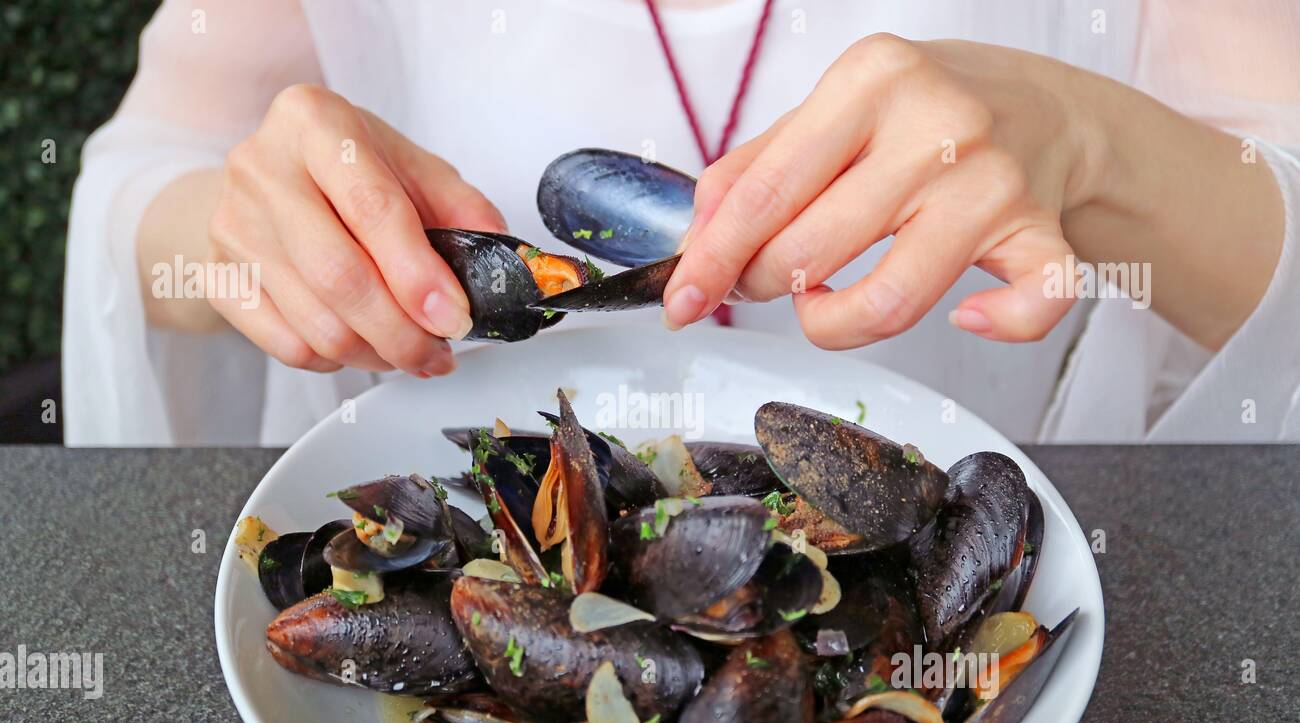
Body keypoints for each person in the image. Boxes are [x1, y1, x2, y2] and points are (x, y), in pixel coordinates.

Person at [64, 0, 1299, 445]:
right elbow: (146, 175)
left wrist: (1089, 140)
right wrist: (251, 231)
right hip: (494, 605)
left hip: (941, 654)